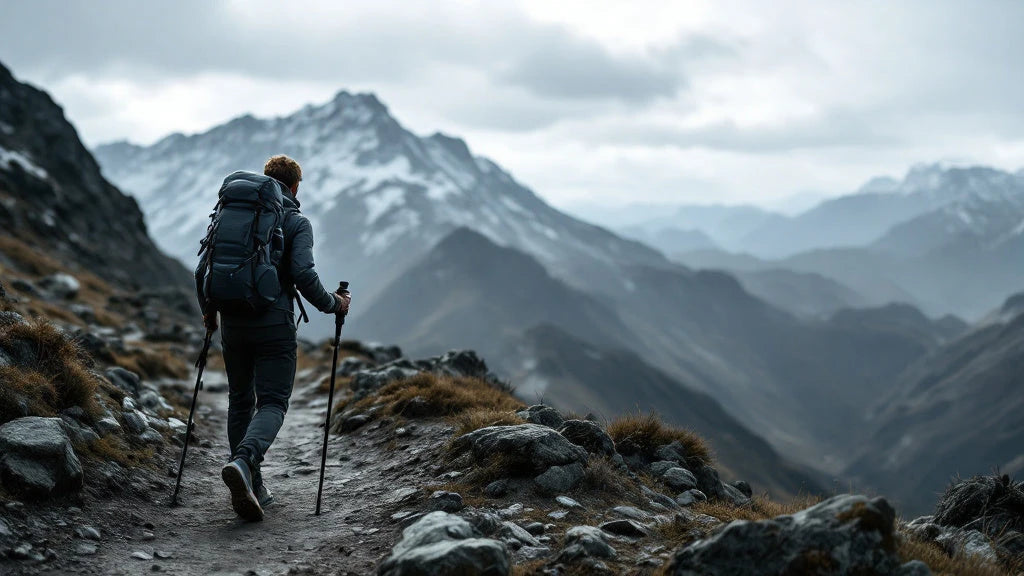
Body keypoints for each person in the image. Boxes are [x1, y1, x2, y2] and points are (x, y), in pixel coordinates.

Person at [205, 155, 350, 521]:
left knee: (240, 400)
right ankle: (244, 462)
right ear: (296, 187)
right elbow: (302, 273)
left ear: (265, 180)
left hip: (233, 321)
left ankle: (251, 484)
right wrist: (334, 304)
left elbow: (203, 266)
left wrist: (210, 314)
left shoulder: (232, 214)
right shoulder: (297, 221)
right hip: (274, 324)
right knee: (272, 402)